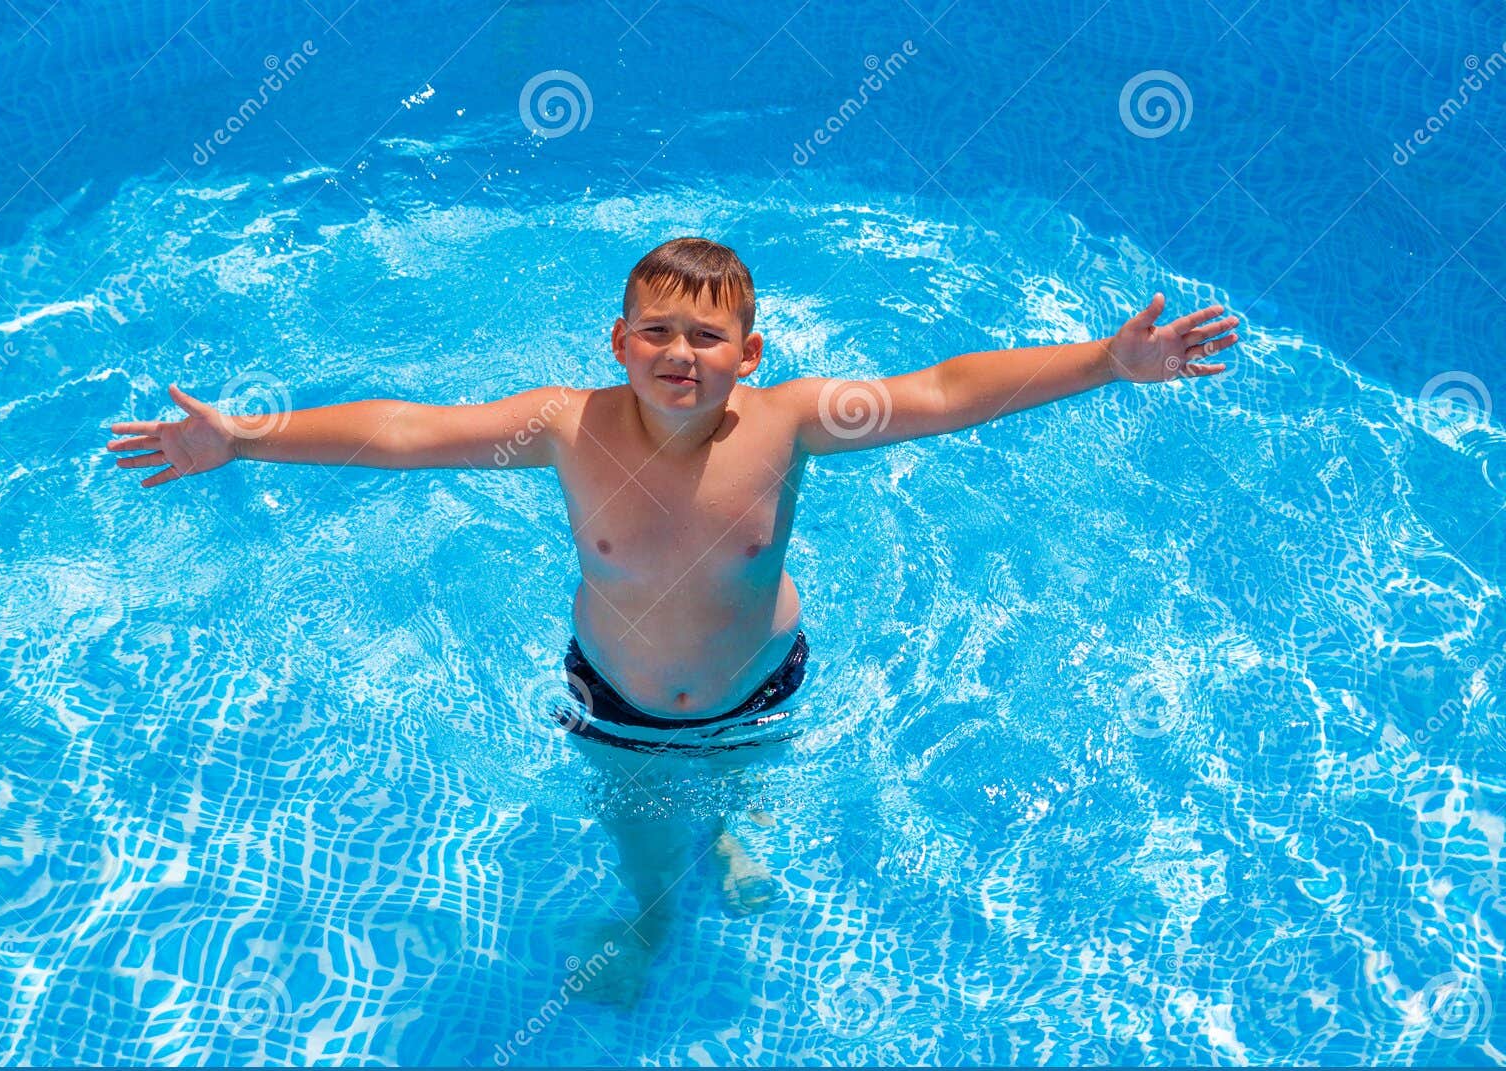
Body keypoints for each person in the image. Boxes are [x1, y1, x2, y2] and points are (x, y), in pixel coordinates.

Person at [105, 236, 1240, 1005]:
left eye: (706, 338)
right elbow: (408, 432)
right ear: (618, 341)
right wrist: (246, 434)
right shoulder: (562, 427)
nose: (678, 355)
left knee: (749, 775)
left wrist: (1105, 360)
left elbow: (945, 390)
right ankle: (649, 923)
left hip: (764, 680)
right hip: (618, 707)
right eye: (655, 332)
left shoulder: (790, 422)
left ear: (750, 353)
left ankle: (742, 828)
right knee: (641, 834)